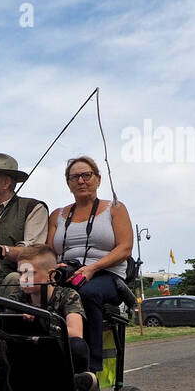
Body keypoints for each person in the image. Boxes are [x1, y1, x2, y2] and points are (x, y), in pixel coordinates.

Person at [46, 156, 134, 374]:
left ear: (98, 179)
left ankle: (89, 370)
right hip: (68, 275)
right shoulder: (57, 215)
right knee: (36, 292)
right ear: (68, 183)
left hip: (107, 274)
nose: (81, 181)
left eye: (87, 175)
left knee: (87, 293)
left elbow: (125, 248)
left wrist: (92, 268)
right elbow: (49, 252)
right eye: (74, 177)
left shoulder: (114, 208)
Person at [0, 244, 96, 391]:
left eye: (29, 273)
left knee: (78, 346)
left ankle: (75, 380)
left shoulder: (68, 295)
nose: (22, 279)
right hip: (28, 357)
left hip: (57, 358)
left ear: (52, 275)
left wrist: (41, 322)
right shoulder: (17, 298)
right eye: (20, 273)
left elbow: (76, 333)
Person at [0, 152, 49, 294]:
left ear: (6, 183)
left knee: (14, 278)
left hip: (17, 277)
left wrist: (1, 250)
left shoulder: (32, 208)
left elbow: (33, 254)